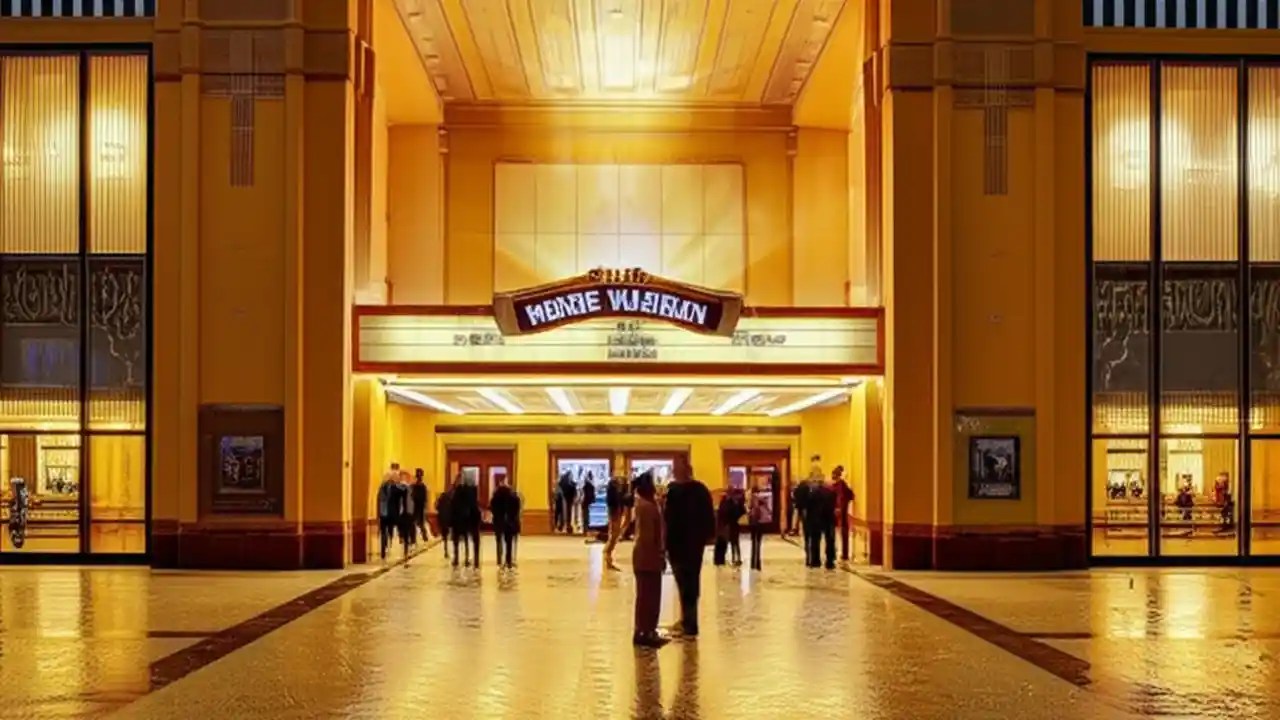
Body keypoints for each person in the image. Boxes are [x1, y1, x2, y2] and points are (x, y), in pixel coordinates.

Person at [664, 456, 715, 638]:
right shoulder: (698, 490)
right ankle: (688, 620)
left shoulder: (678, 491)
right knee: (688, 582)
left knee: (687, 583)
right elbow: (709, 515)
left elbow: (668, 519)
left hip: (683, 544)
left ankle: (690, 623)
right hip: (689, 544)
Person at [631, 471, 668, 648]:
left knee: (645, 596)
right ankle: (646, 631)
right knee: (650, 596)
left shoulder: (643, 505)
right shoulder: (647, 507)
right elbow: (649, 536)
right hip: (648, 557)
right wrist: (659, 555)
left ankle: (643, 629)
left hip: (643, 556)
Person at [807, 473, 837, 570]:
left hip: (815, 520)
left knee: (815, 541)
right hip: (828, 519)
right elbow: (833, 505)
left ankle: (815, 561)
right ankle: (830, 561)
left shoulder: (812, 493)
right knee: (830, 540)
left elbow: (809, 507)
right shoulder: (830, 492)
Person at [489, 476, 520, 569]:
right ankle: (508, 560)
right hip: (510, 522)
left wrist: (496, 516)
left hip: (498, 521)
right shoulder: (513, 496)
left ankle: (499, 559)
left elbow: (492, 507)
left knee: (499, 541)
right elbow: (516, 509)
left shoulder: (496, 496)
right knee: (509, 542)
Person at [451, 475, 480, 567]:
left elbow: (453, 506)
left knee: (457, 541)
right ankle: (473, 559)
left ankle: (457, 559)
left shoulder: (456, 492)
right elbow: (474, 505)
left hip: (458, 519)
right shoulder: (472, 491)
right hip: (470, 519)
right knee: (470, 539)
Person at [748, 472, 775, 571]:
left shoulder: (751, 495)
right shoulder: (767, 496)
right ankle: (757, 562)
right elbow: (769, 509)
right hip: (760, 520)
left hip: (753, 520)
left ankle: (753, 562)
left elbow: (748, 507)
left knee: (754, 541)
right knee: (758, 541)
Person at [375, 463, 401, 561]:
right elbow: (379, 500)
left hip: (390, 514)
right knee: (384, 532)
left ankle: (387, 546)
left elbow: (398, 502)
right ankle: (384, 548)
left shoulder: (395, 489)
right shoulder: (383, 488)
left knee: (389, 531)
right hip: (384, 513)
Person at [830, 465, 854, 561]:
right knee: (841, 534)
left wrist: (838, 508)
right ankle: (843, 553)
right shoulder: (841, 485)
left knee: (839, 533)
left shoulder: (840, 485)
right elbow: (850, 496)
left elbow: (841, 497)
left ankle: (842, 553)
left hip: (840, 513)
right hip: (841, 513)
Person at [604, 474, 627, 570]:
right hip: (614, 513)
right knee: (614, 534)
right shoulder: (613, 492)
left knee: (614, 535)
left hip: (615, 513)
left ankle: (608, 556)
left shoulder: (614, 491)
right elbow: (615, 503)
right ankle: (607, 554)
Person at [396, 470, 415, 561]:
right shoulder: (397, 488)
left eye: (405, 477)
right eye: (402, 477)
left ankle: (406, 550)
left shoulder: (410, 489)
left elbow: (411, 502)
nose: (403, 479)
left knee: (407, 532)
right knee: (401, 532)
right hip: (400, 513)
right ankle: (405, 548)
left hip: (407, 513)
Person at [726, 487, 746, 566]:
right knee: (735, 542)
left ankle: (735, 558)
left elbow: (727, 513)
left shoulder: (731, 502)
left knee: (734, 542)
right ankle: (736, 558)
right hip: (734, 524)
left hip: (733, 524)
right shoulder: (736, 502)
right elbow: (742, 511)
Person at [411, 468, 430, 545]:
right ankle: (415, 539)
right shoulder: (417, 486)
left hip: (418, 507)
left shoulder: (420, 486)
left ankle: (418, 538)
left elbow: (424, 498)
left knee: (419, 523)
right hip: (417, 507)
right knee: (417, 523)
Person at [435, 483, 453, 559]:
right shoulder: (452, 497)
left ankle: (446, 550)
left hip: (442, 518)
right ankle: (449, 551)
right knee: (449, 534)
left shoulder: (442, 496)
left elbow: (437, 506)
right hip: (449, 518)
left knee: (445, 535)